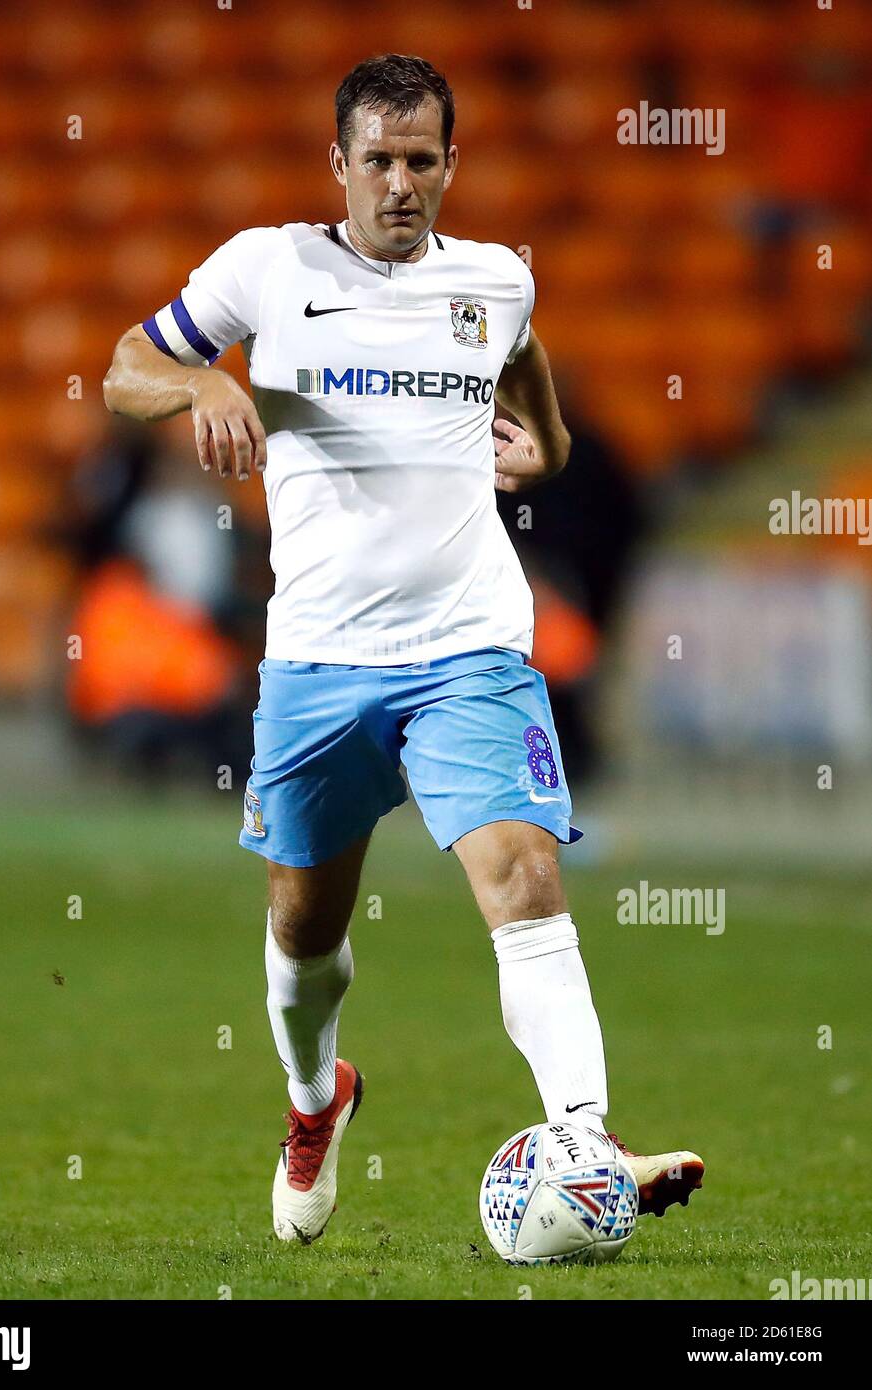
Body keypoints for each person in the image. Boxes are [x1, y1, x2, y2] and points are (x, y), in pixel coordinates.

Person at [103, 54, 703, 1244]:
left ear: (450, 164)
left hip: (469, 645)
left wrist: (545, 448)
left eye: (420, 159)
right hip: (319, 659)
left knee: (526, 875)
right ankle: (315, 1098)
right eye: (376, 159)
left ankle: (586, 1140)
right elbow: (127, 366)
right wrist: (196, 390)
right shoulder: (267, 268)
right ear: (338, 163)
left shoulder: (496, 282)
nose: (398, 182)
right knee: (302, 940)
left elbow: (542, 412)